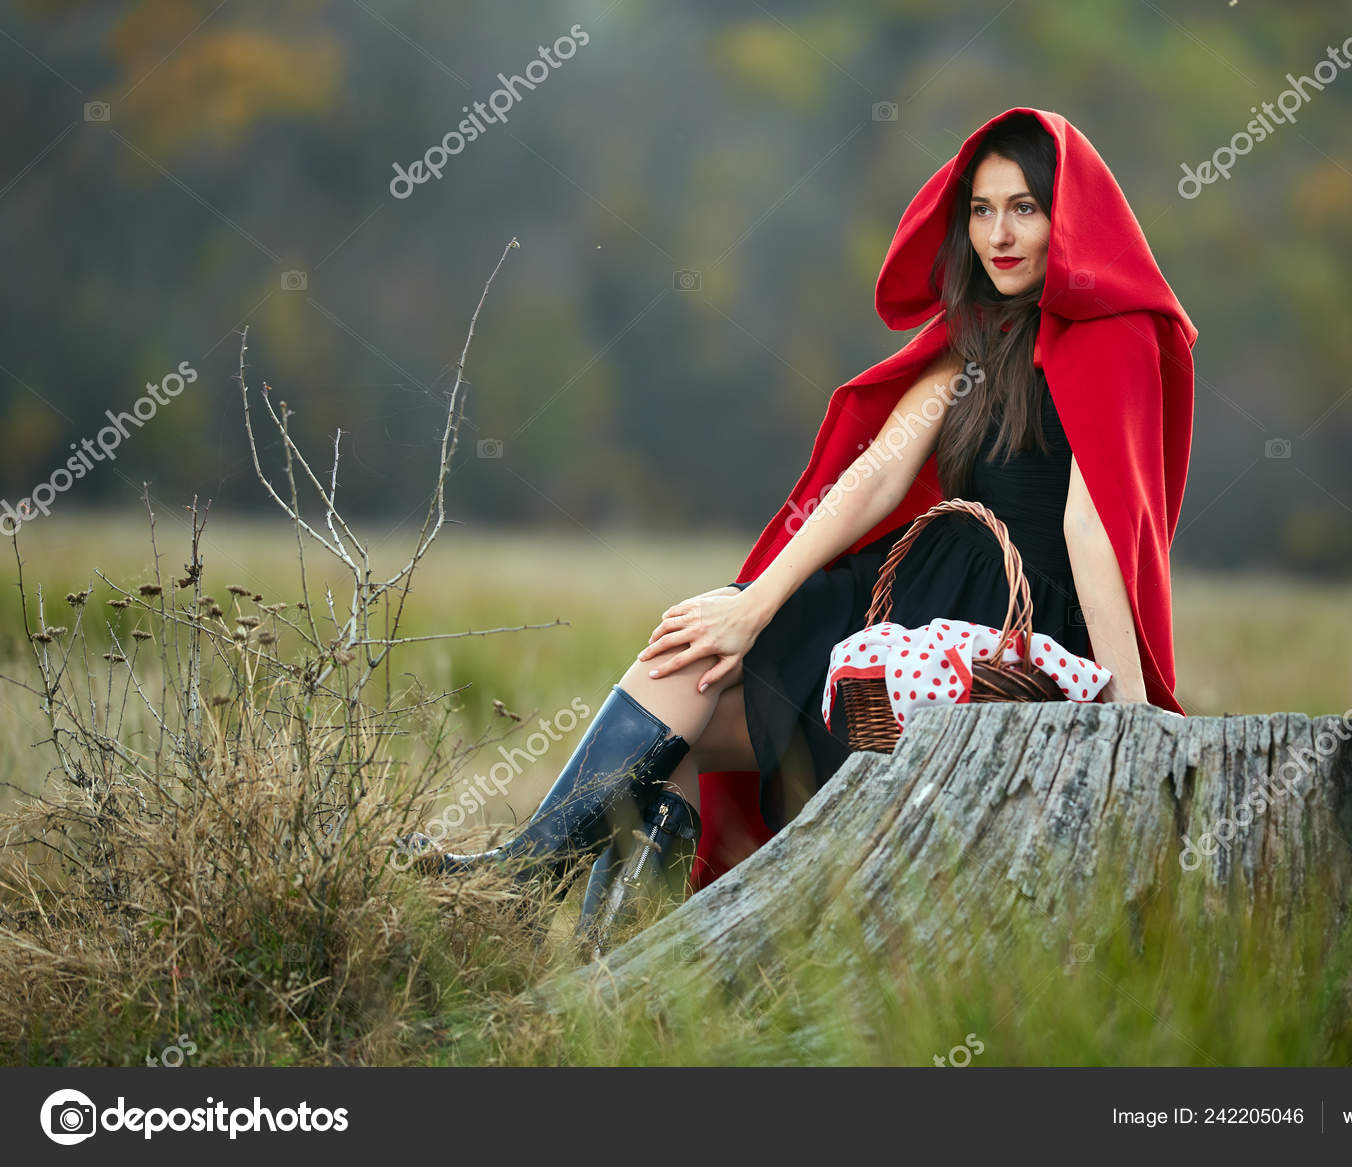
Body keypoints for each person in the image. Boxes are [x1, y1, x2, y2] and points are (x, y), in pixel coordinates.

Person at [402, 107, 1198, 944]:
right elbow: (880, 471)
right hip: (911, 592)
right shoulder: (980, 337)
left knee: (708, 720)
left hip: (1009, 629)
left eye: (1025, 208)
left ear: (1067, 215)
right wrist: (754, 603)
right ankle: (535, 888)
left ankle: (588, 902)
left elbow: (1097, 524)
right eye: (981, 209)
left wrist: (1129, 720)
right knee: (698, 654)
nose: (999, 233)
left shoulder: (1116, 334)